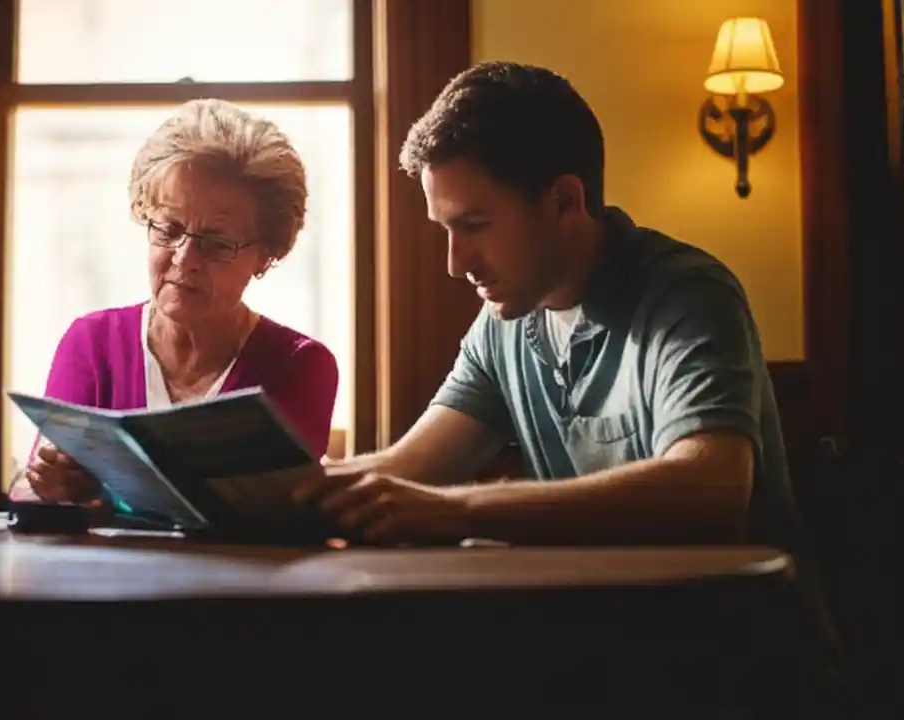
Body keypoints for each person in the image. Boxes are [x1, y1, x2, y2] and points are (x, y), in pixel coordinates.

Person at [292, 61, 841, 707]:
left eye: (474, 226)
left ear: (564, 202)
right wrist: (272, 491)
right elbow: (409, 467)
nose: (455, 263)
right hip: (605, 658)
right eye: (446, 231)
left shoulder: (687, 294)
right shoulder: (503, 322)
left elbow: (711, 484)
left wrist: (455, 511)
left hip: (739, 671)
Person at [22, 99, 338, 505]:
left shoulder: (300, 367)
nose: (184, 259)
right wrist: (50, 485)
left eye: (217, 242)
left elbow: (274, 514)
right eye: (169, 228)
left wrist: (103, 493)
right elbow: (35, 493)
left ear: (266, 255)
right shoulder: (91, 344)